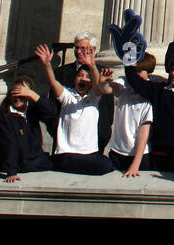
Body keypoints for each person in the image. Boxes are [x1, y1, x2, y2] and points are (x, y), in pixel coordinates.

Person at [36, 43, 115, 175]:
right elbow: (54, 83)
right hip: (66, 154)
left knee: (106, 165)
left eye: (87, 76)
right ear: (75, 79)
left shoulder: (93, 98)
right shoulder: (68, 96)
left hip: (89, 154)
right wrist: (47, 65)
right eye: (80, 75)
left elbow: (99, 86)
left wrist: (92, 65)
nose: (83, 78)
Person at [0, 76, 54, 182]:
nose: (18, 97)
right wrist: (11, 172)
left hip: (36, 161)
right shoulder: (5, 115)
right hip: (17, 164)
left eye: (22, 93)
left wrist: (33, 95)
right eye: (15, 93)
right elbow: (9, 144)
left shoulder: (32, 109)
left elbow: (51, 112)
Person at [108, 52, 154, 177]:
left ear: (149, 73)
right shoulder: (124, 82)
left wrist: (135, 164)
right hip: (116, 152)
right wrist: (103, 81)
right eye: (134, 71)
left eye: (140, 72)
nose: (136, 76)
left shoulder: (149, 95)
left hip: (139, 156)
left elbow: (144, 132)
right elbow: (107, 90)